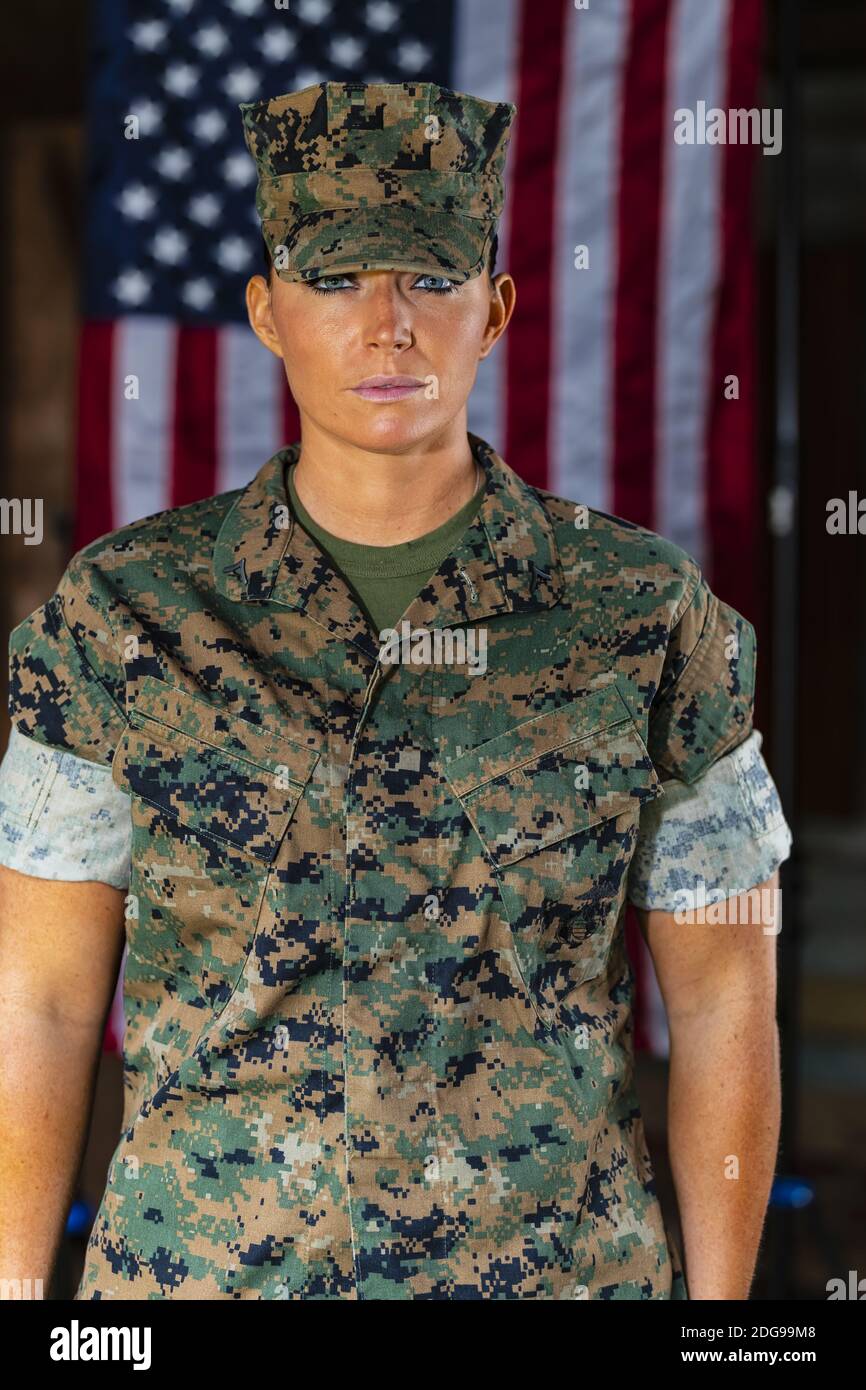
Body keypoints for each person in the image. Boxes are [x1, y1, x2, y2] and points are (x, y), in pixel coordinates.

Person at [0, 79, 790, 1301]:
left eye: (429, 279)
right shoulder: (127, 614)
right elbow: (42, 999)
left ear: (495, 310)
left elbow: (725, 991)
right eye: (335, 279)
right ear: (267, 311)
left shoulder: (637, 613)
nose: (387, 327)